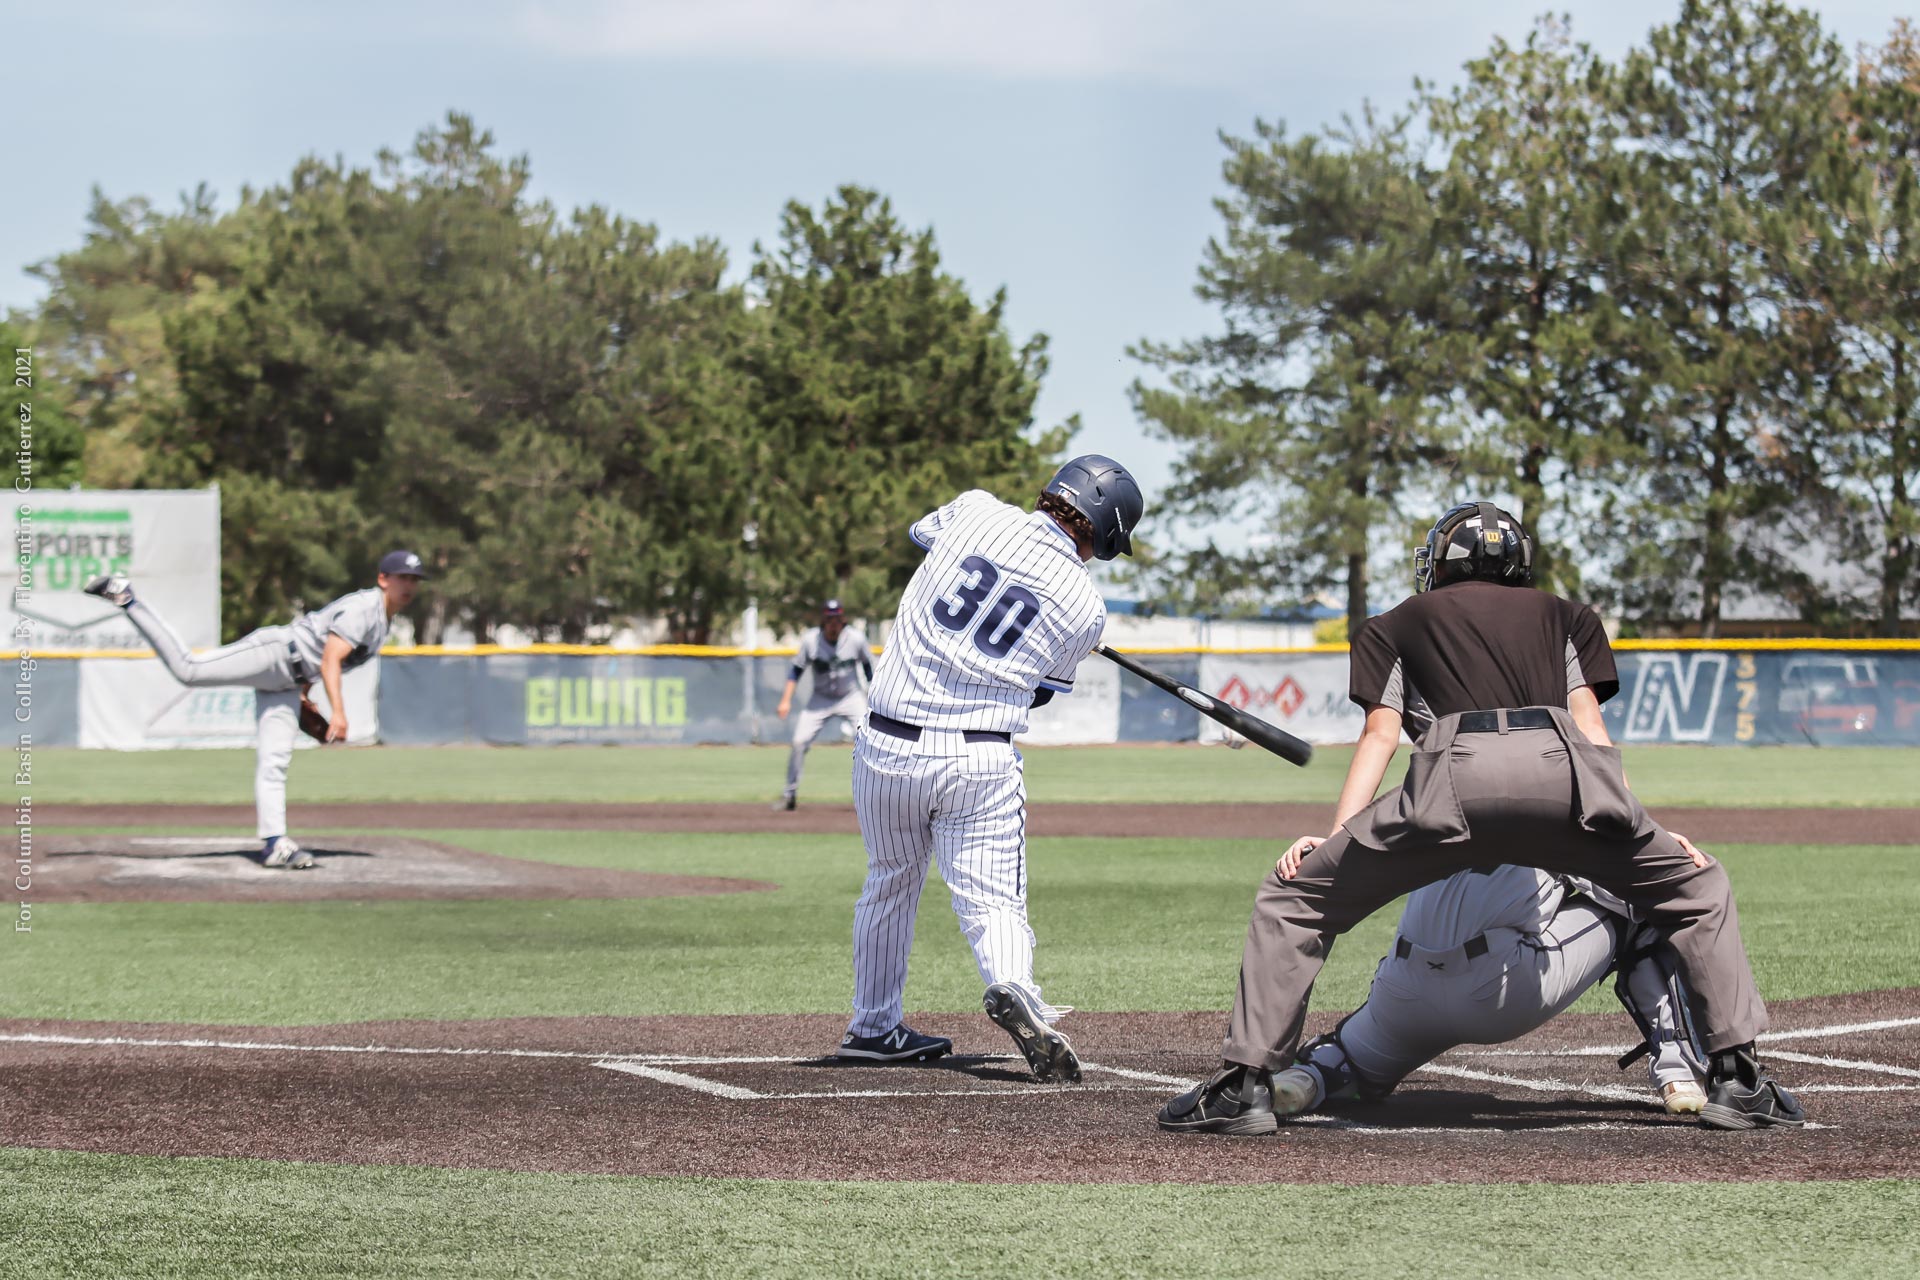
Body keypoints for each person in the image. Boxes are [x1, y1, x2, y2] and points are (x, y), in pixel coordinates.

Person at [1156, 501, 1802, 1134]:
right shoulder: (1567, 615)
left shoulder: (1396, 621)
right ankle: (1739, 1080)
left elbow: (1381, 735)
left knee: (1295, 900)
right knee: (1698, 887)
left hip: (1451, 778)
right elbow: (1591, 728)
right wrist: (1642, 825)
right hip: (1561, 773)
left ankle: (1243, 1088)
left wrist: (1335, 837)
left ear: (1440, 561)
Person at [835, 455, 1144, 1078]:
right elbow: (1039, 692)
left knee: (889, 881)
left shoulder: (975, 509)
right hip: (977, 757)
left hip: (886, 745)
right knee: (994, 900)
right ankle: (1015, 989)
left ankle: (872, 1027)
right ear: (1103, 533)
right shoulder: (1084, 607)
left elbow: (924, 539)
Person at [1274, 863, 1709, 1117]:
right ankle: (1678, 1071)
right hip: (1497, 992)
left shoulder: (1433, 798)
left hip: (1402, 992)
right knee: (1639, 915)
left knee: (1347, 1058)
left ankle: (1313, 1074)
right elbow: (1645, 892)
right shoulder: (1554, 804)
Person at [84, 551, 426, 870]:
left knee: (275, 761)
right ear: (383, 579)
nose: (408, 585)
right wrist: (339, 712)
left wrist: (305, 692)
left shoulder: (382, 621)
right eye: (402, 577)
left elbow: (319, 655)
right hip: (275, 654)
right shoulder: (364, 609)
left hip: (288, 681)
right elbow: (330, 658)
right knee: (189, 669)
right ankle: (127, 598)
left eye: (414, 579)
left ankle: (276, 844)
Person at [772, 600, 872, 812]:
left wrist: (873, 697)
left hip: (850, 697)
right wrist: (785, 700)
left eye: (837, 619)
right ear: (823, 621)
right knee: (799, 742)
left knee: (869, 742)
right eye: (829, 619)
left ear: (842, 620)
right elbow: (795, 671)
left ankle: (872, 797)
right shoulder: (811, 641)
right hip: (820, 699)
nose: (833, 624)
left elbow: (869, 668)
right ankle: (789, 795)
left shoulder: (856, 639)